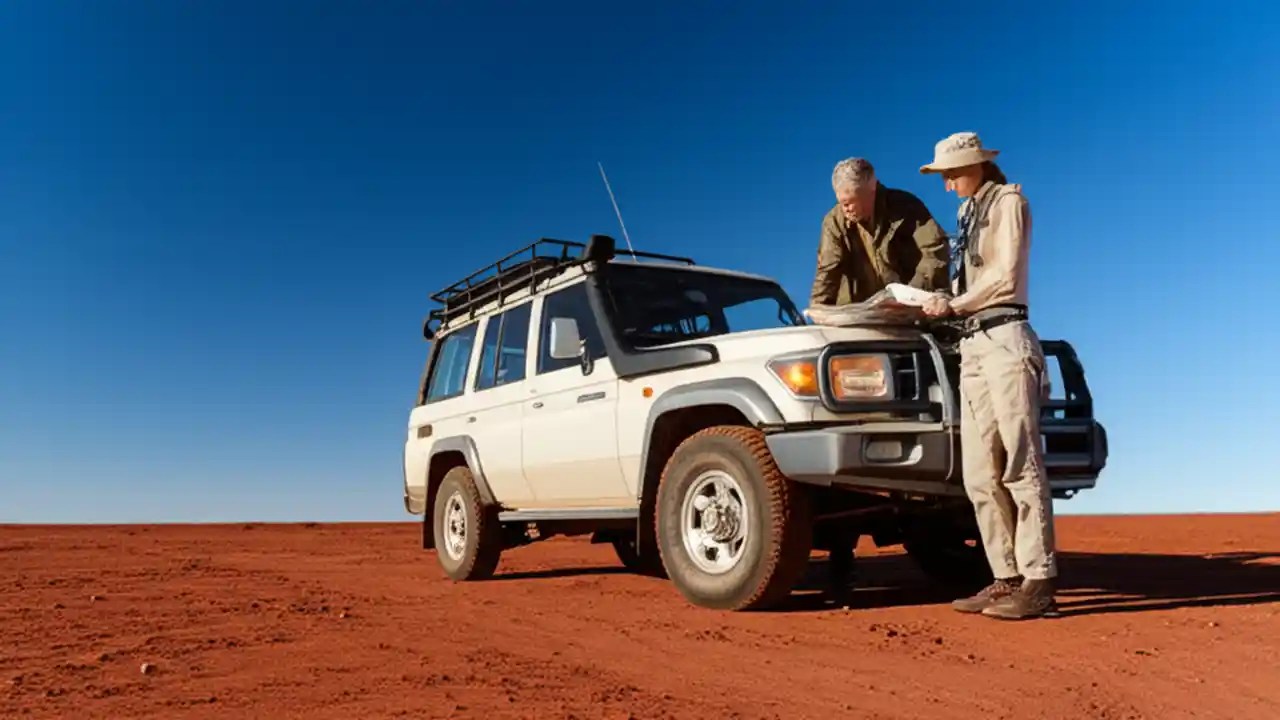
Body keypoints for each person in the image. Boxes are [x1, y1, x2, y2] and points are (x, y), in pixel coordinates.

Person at [919, 131, 1059, 620]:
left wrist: (952, 304)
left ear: (977, 165)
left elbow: (1003, 275)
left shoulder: (1008, 204)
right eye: (944, 175)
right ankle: (1006, 578)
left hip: (1004, 335)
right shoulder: (967, 212)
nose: (948, 183)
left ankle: (1039, 582)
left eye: (952, 173)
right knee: (980, 472)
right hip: (973, 344)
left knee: (1021, 461)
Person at [810, 157, 950, 306]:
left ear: (871, 190)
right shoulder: (834, 223)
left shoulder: (904, 207)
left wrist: (911, 294)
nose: (846, 209)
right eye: (841, 203)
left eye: (850, 202)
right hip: (859, 313)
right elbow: (827, 272)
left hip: (912, 307)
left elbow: (934, 250)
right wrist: (819, 309)